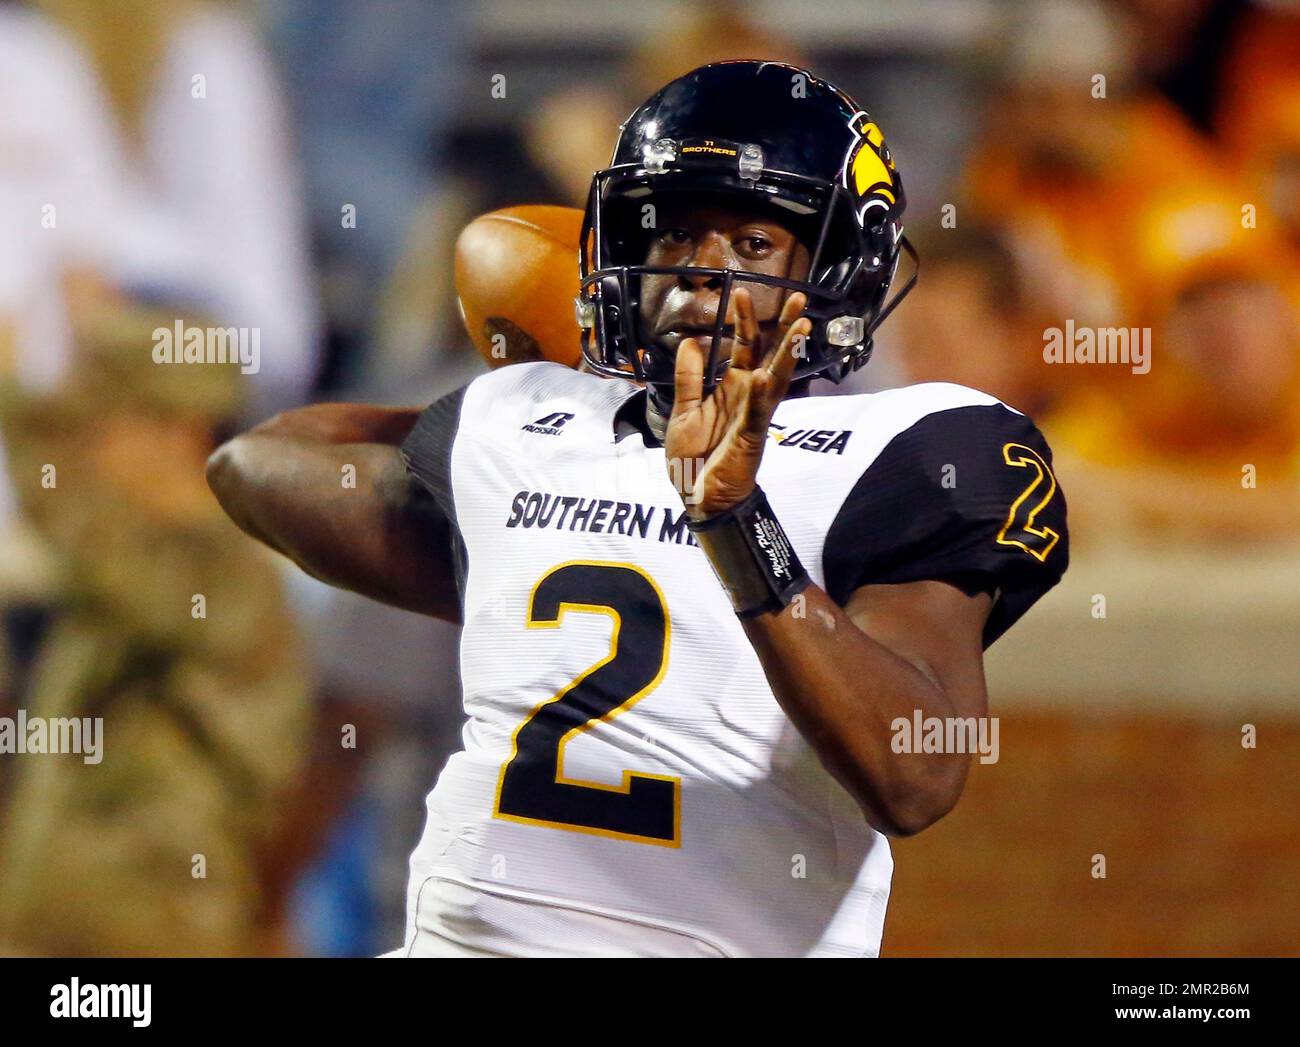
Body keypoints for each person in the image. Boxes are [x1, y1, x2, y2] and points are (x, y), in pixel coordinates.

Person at [208, 61, 1069, 958]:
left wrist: (735, 522)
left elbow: (917, 776)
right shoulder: (527, 425)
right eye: (677, 235)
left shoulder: (906, 449)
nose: (703, 273)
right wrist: (495, 392)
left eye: (751, 244)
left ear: (840, 266)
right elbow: (250, 464)